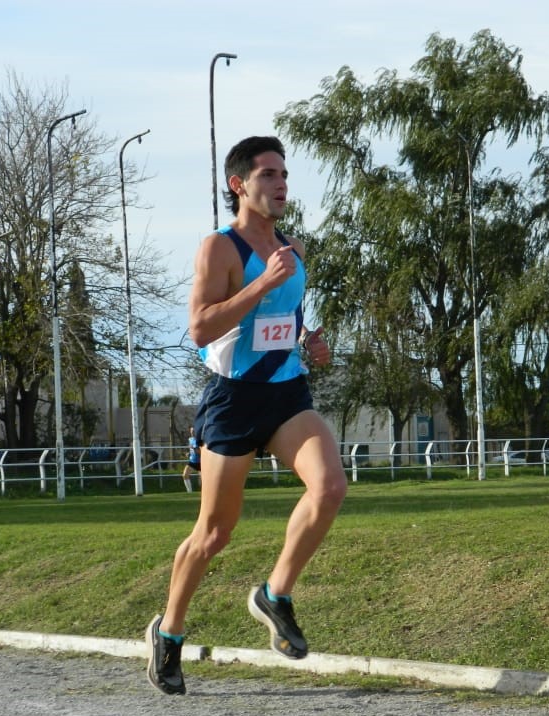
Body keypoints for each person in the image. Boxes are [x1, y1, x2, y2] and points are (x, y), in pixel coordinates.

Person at [146, 136, 348, 696]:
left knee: (330, 487)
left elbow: (290, 312)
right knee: (214, 533)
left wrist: (311, 338)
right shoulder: (220, 248)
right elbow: (200, 329)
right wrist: (262, 282)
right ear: (240, 184)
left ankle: (274, 594)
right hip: (234, 398)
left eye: (284, 174)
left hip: (287, 393)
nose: (281, 184)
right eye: (268, 175)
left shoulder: (294, 248)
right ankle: (169, 632)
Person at [181, 426, 199, 492]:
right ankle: (189, 492)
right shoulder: (190, 439)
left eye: (194, 431)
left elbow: (200, 452)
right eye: (191, 431)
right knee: (185, 475)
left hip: (201, 462)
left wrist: (194, 448)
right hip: (192, 461)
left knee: (202, 481)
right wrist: (189, 453)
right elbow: (192, 450)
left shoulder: (200, 440)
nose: (192, 433)